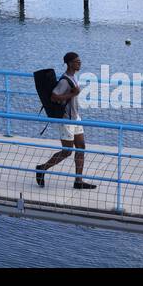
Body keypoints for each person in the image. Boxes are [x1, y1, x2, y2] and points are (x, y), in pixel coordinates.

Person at [35, 51, 96, 190]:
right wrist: (72, 94)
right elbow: (54, 97)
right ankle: (42, 168)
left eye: (79, 61)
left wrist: (74, 94)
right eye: (76, 61)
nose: (79, 63)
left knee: (81, 147)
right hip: (66, 119)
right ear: (69, 63)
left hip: (75, 118)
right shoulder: (64, 81)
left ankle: (78, 181)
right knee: (67, 151)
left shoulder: (74, 77)